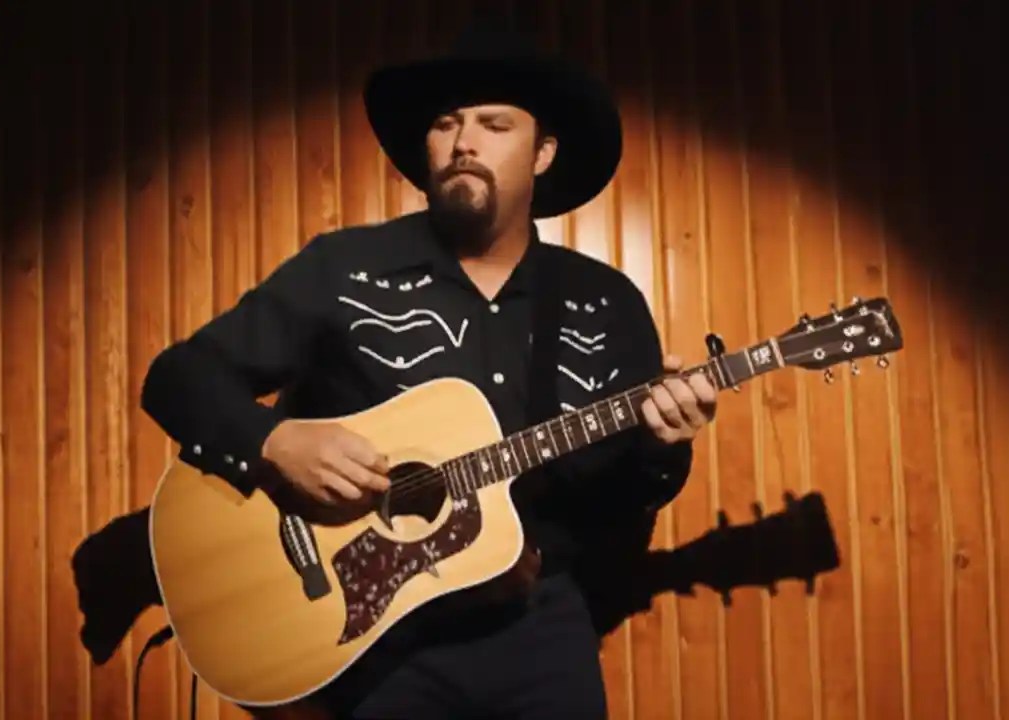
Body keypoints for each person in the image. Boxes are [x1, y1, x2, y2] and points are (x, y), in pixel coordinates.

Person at [139, 19, 718, 720]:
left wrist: (663, 448)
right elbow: (177, 376)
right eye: (446, 124)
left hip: (537, 628)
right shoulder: (346, 269)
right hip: (375, 640)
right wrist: (273, 443)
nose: (464, 141)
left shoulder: (604, 303)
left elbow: (620, 501)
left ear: (543, 153)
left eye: (494, 124)